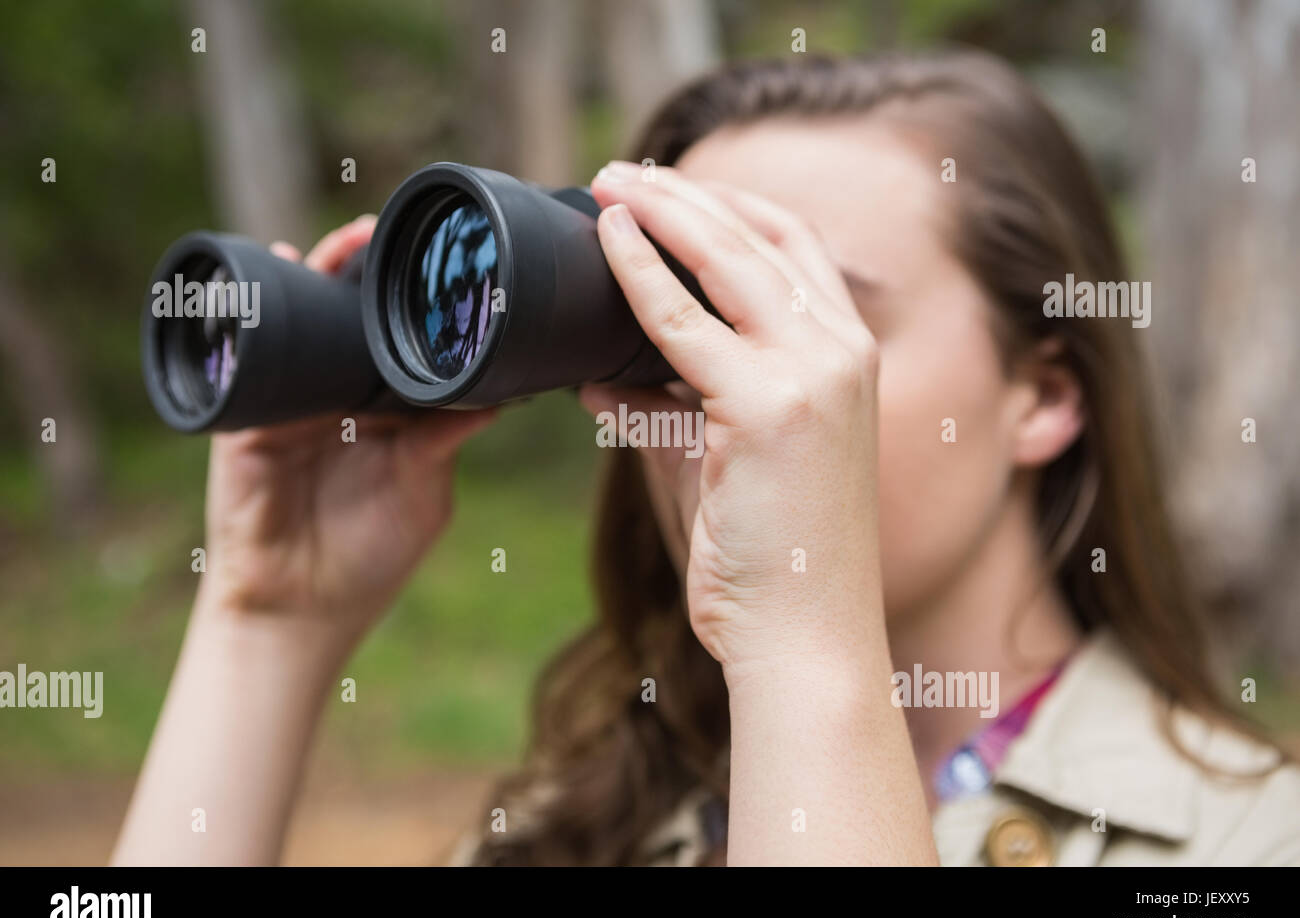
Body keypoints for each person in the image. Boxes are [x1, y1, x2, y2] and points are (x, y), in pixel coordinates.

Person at [112, 51, 1300, 867]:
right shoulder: (587, 821)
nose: (712, 381)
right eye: (661, 315)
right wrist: (266, 623)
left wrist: (803, 639)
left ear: (1040, 396)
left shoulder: (1238, 845)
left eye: (802, 312)